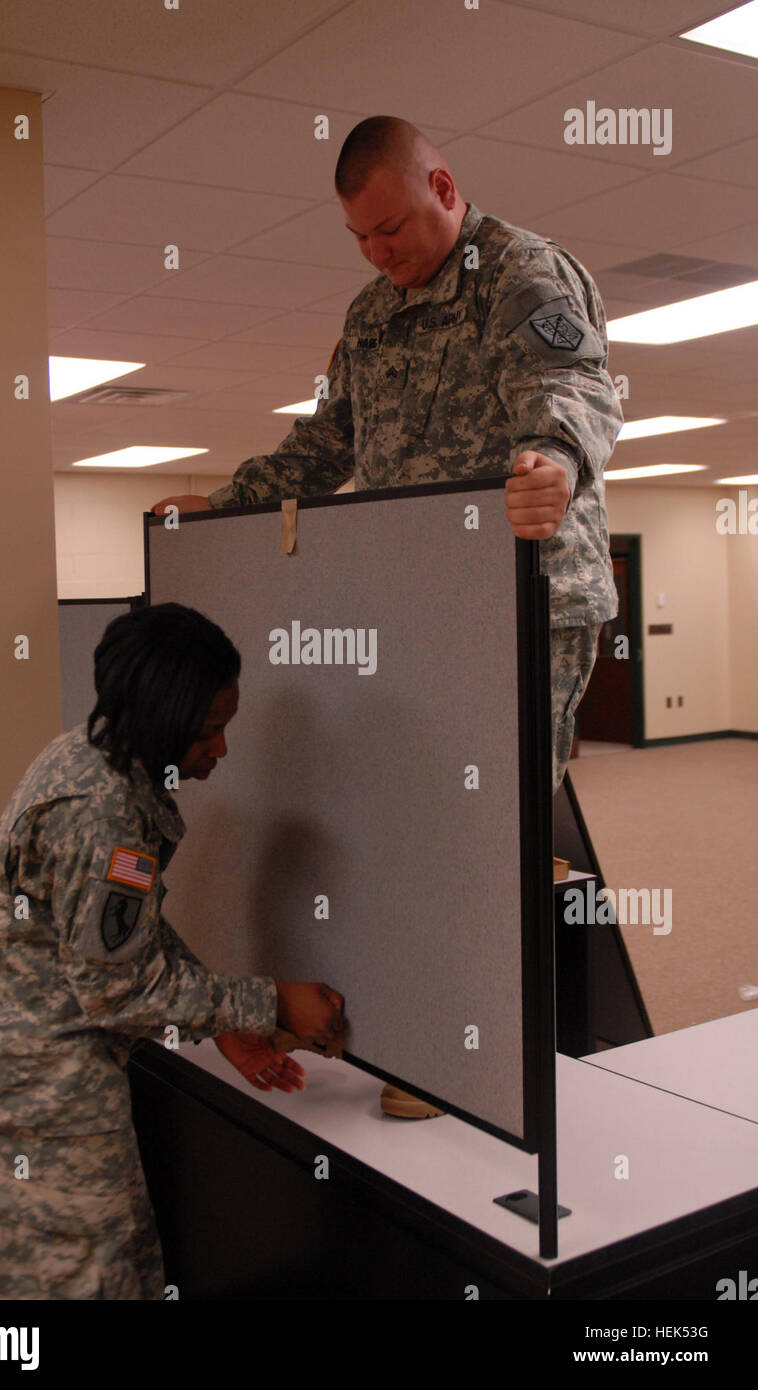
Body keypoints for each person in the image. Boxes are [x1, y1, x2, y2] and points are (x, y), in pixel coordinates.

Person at [153, 115, 621, 1115]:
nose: (380, 252)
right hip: (427, 599)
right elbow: (323, 441)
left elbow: (576, 387)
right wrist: (221, 508)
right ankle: (414, 1021)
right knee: (412, 819)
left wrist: (552, 457)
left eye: (395, 228)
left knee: (482, 830)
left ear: (445, 188)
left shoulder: (525, 274)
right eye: (360, 237)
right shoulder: (371, 316)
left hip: (532, 597)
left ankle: (470, 1057)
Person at [0, 602, 344, 1298]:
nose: (223, 749)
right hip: (39, 1100)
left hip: (27, 1082)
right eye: (211, 729)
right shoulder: (102, 811)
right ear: (163, 717)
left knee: (124, 1274)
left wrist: (229, 1023)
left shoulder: (91, 755)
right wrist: (268, 1001)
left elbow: (118, 940)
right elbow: (117, 988)